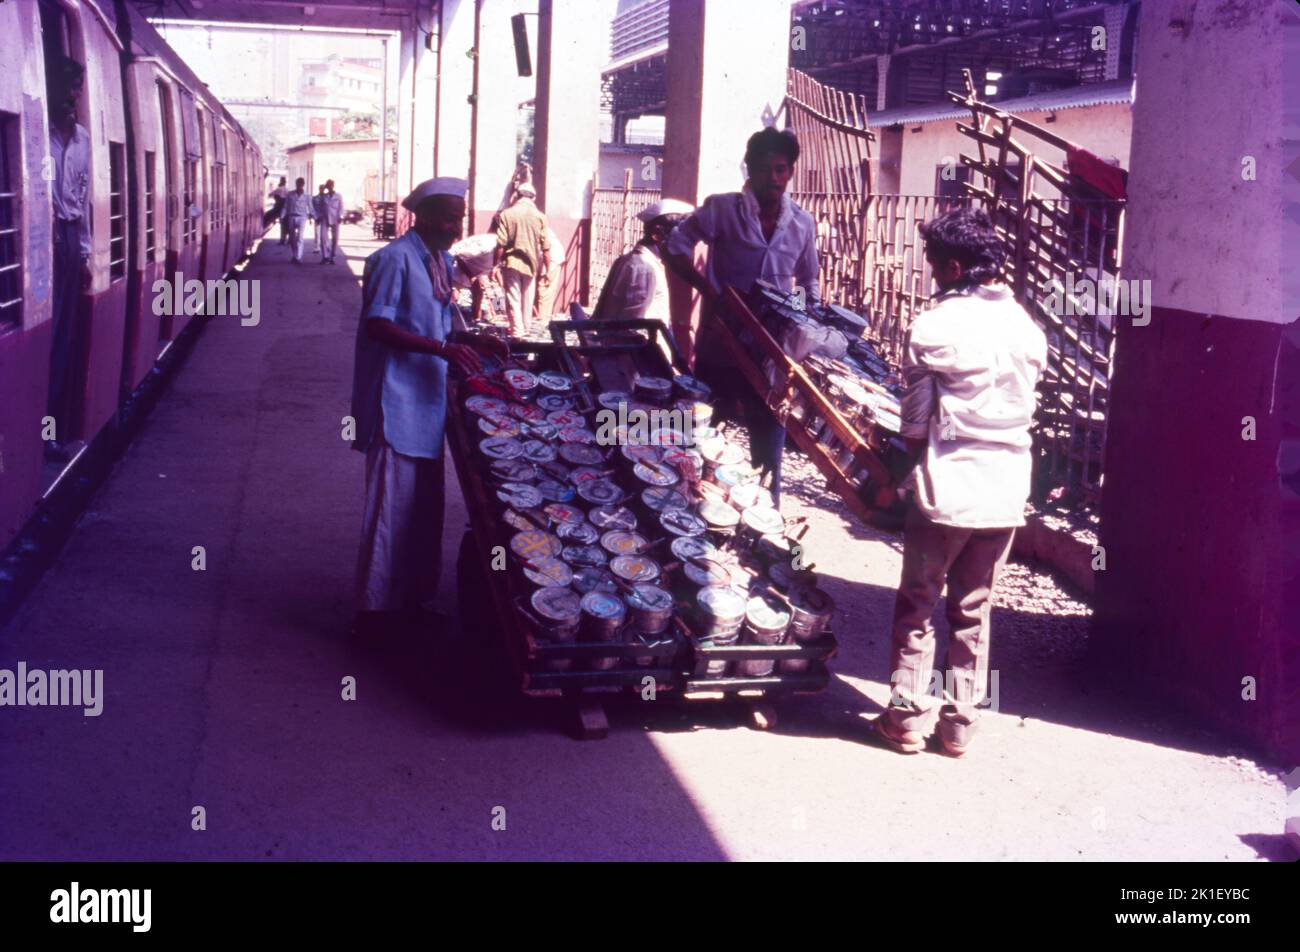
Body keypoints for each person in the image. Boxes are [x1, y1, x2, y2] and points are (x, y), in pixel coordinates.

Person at [866, 208, 1047, 758]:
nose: (931, 275)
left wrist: (889, 484)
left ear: (951, 265)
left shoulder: (934, 327)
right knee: (974, 608)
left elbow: (916, 428)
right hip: (1007, 487)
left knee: (919, 603)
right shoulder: (1026, 326)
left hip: (948, 488)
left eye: (932, 265)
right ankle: (959, 724)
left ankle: (904, 720)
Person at [350, 177, 506, 638]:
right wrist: (440, 349)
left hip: (426, 403)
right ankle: (373, 616)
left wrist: (467, 338)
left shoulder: (436, 261)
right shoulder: (393, 260)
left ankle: (411, 603)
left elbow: (434, 323)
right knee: (388, 511)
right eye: (449, 217)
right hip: (395, 401)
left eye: (459, 217)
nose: (457, 226)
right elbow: (378, 325)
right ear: (425, 216)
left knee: (422, 512)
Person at [665, 127, 819, 503]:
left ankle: (766, 525)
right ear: (748, 169)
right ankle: (689, 513)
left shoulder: (802, 223)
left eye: (781, 170)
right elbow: (675, 245)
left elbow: (808, 281)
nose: (774, 179)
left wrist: (799, 319)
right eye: (765, 170)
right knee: (701, 436)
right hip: (721, 345)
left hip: (770, 357)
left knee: (768, 447)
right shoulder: (721, 209)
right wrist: (708, 290)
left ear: (791, 172)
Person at [45, 55, 92, 462]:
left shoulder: (83, 141)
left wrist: (85, 253)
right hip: (42, 236)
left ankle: (48, 433)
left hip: (70, 236)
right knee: (44, 338)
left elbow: (84, 199)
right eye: (67, 84)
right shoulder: (38, 133)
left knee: (60, 340)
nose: (73, 93)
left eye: (77, 85)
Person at [492, 183, 550, 338]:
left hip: (512, 262)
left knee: (513, 298)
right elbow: (546, 248)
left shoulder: (507, 214)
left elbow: (501, 243)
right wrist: (547, 269)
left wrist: (496, 264)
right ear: (534, 198)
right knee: (528, 298)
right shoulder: (540, 216)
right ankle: (524, 330)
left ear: (517, 195)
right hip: (532, 264)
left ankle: (517, 333)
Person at [532, 225, 565, 326]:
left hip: (551, 260)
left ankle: (543, 321)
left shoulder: (539, 231)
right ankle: (543, 318)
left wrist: (547, 271)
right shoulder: (537, 226)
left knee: (544, 289)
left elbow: (546, 253)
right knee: (543, 290)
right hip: (549, 258)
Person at [280, 178, 313, 263]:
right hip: (291, 216)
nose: (299, 185)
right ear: (296, 184)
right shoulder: (290, 194)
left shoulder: (307, 196)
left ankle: (298, 257)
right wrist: (282, 216)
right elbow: (285, 206)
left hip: (302, 217)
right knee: (292, 238)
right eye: (298, 184)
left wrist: (314, 217)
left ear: (303, 184)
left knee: (300, 237)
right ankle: (295, 255)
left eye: (300, 184)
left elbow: (311, 207)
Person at [318, 180, 343, 264]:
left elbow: (341, 207)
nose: (330, 187)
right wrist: (322, 191)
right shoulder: (324, 196)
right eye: (328, 185)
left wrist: (340, 216)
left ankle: (332, 257)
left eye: (331, 185)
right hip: (325, 218)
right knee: (323, 238)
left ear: (333, 185)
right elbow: (318, 205)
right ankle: (325, 256)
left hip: (335, 218)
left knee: (335, 238)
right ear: (327, 187)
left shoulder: (338, 196)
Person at [269, 177, 289, 243]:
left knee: (282, 224)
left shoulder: (278, 189)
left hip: (279, 208)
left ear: (281, 181)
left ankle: (282, 239)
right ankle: (288, 238)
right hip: (287, 208)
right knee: (286, 224)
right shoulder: (287, 189)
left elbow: (270, 194)